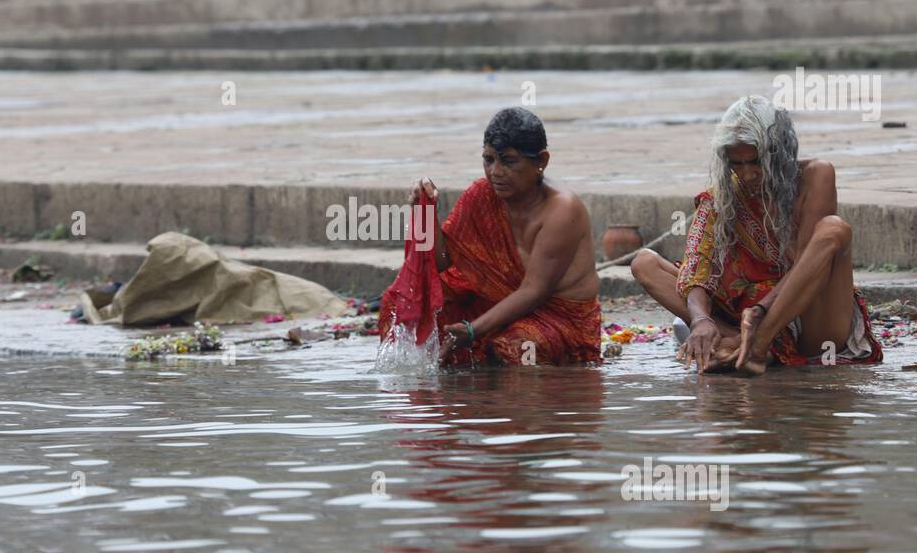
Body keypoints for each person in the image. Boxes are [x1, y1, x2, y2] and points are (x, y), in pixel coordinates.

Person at [631, 95, 882, 376]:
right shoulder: (724, 194)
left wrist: (762, 313)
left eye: (755, 162)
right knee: (644, 262)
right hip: (745, 319)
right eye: (736, 165)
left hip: (810, 317)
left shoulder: (815, 175)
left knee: (834, 228)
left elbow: (806, 269)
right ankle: (736, 344)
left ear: (780, 151)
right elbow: (696, 266)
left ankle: (759, 345)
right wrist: (701, 320)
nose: (747, 174)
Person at [378, 107, 603, 366]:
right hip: (495, 305)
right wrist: (424, 212)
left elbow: (534, 291)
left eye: (508, 161)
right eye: (489, 160)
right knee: (398, 303)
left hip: (559, 319)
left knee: (516, 348)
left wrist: (473, 329)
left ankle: (529, 404)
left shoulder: (562, 209)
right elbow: (441, 261)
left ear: (541, 161)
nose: (495, 172)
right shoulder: (482, 195)